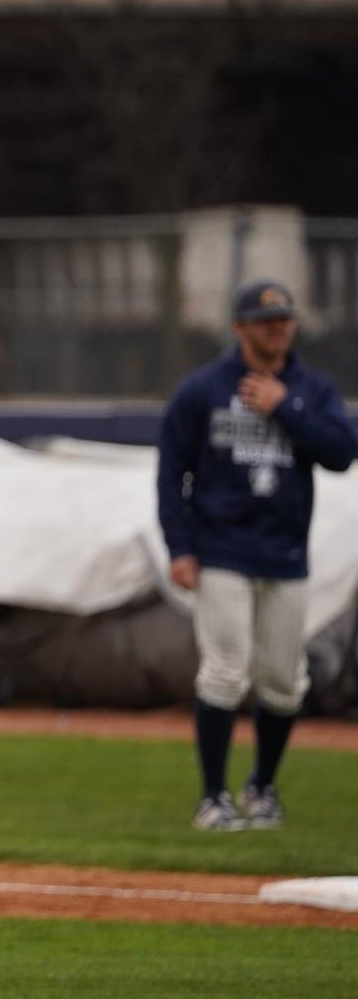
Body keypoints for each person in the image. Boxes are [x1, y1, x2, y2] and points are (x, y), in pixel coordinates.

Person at [156, 279, 354, 832]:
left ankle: (262, 787)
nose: (278, 329)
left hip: (285, 552)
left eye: (285, 320)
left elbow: (342, 452)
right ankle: (213, 797)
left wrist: (284, 407)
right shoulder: (203, 390)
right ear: (240, 328)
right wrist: (180, 546)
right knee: (223, 671)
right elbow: (173, 473)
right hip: (222, 549)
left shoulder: (311, 390)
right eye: (267, 322)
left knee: (283, 682)